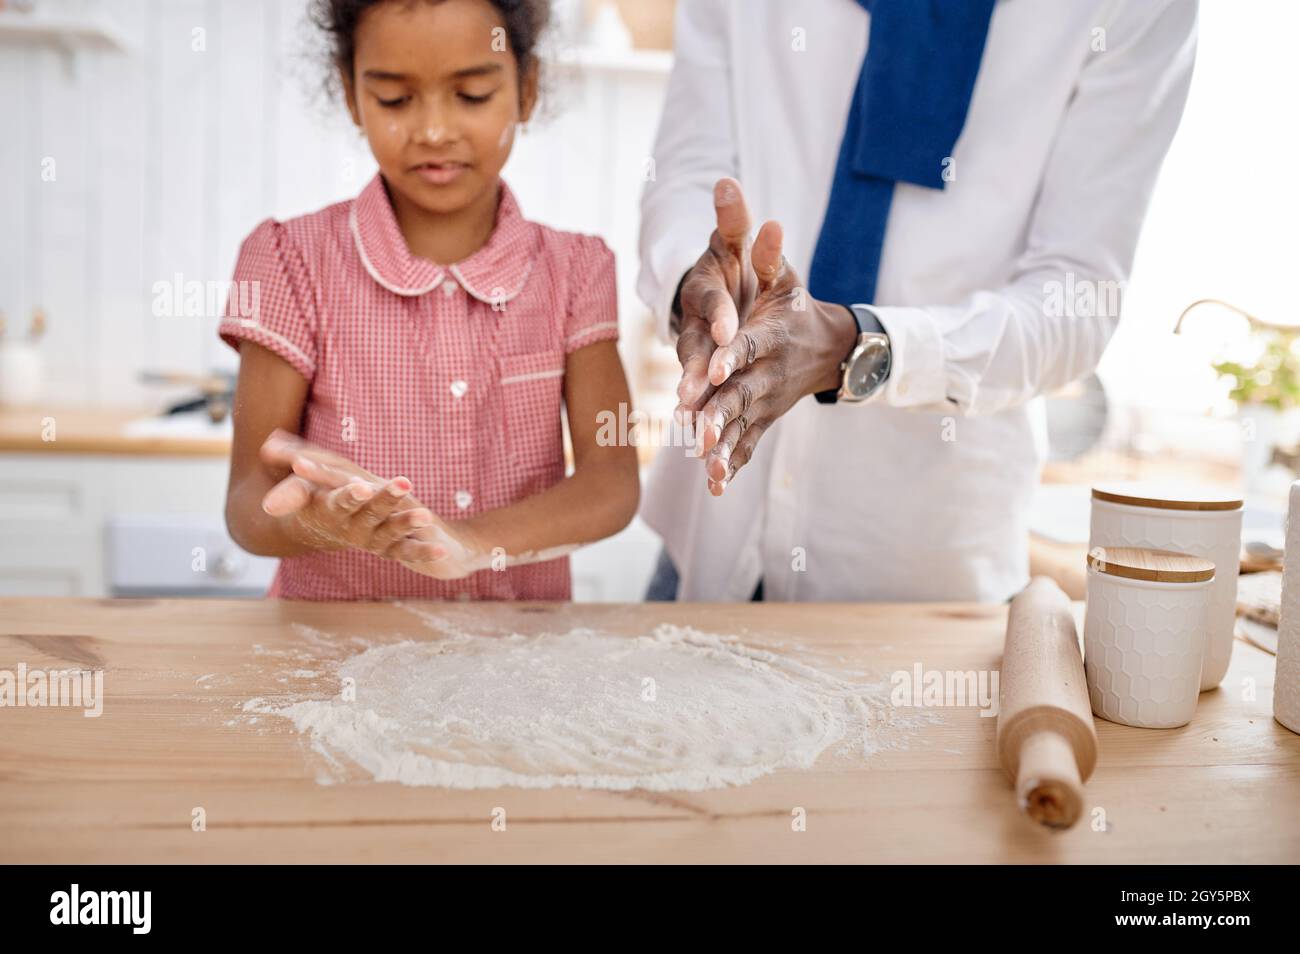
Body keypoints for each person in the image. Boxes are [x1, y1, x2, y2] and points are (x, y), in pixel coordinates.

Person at [639, 0, 1197, 602]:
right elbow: (689, 172)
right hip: (708, 538)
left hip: (920, 576)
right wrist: (694, 285)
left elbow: (1075, 299)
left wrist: (864, 348)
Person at [221, 0, 639, 600]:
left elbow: (612, 482)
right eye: (395, 99)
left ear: (527, 90)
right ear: (350, 93)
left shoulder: (575, 271)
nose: (434, 131)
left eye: (470, 95)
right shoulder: (289, 260)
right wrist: (320, 518)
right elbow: (247, 506)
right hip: (335, 666)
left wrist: (466, 542)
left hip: (515, 664)